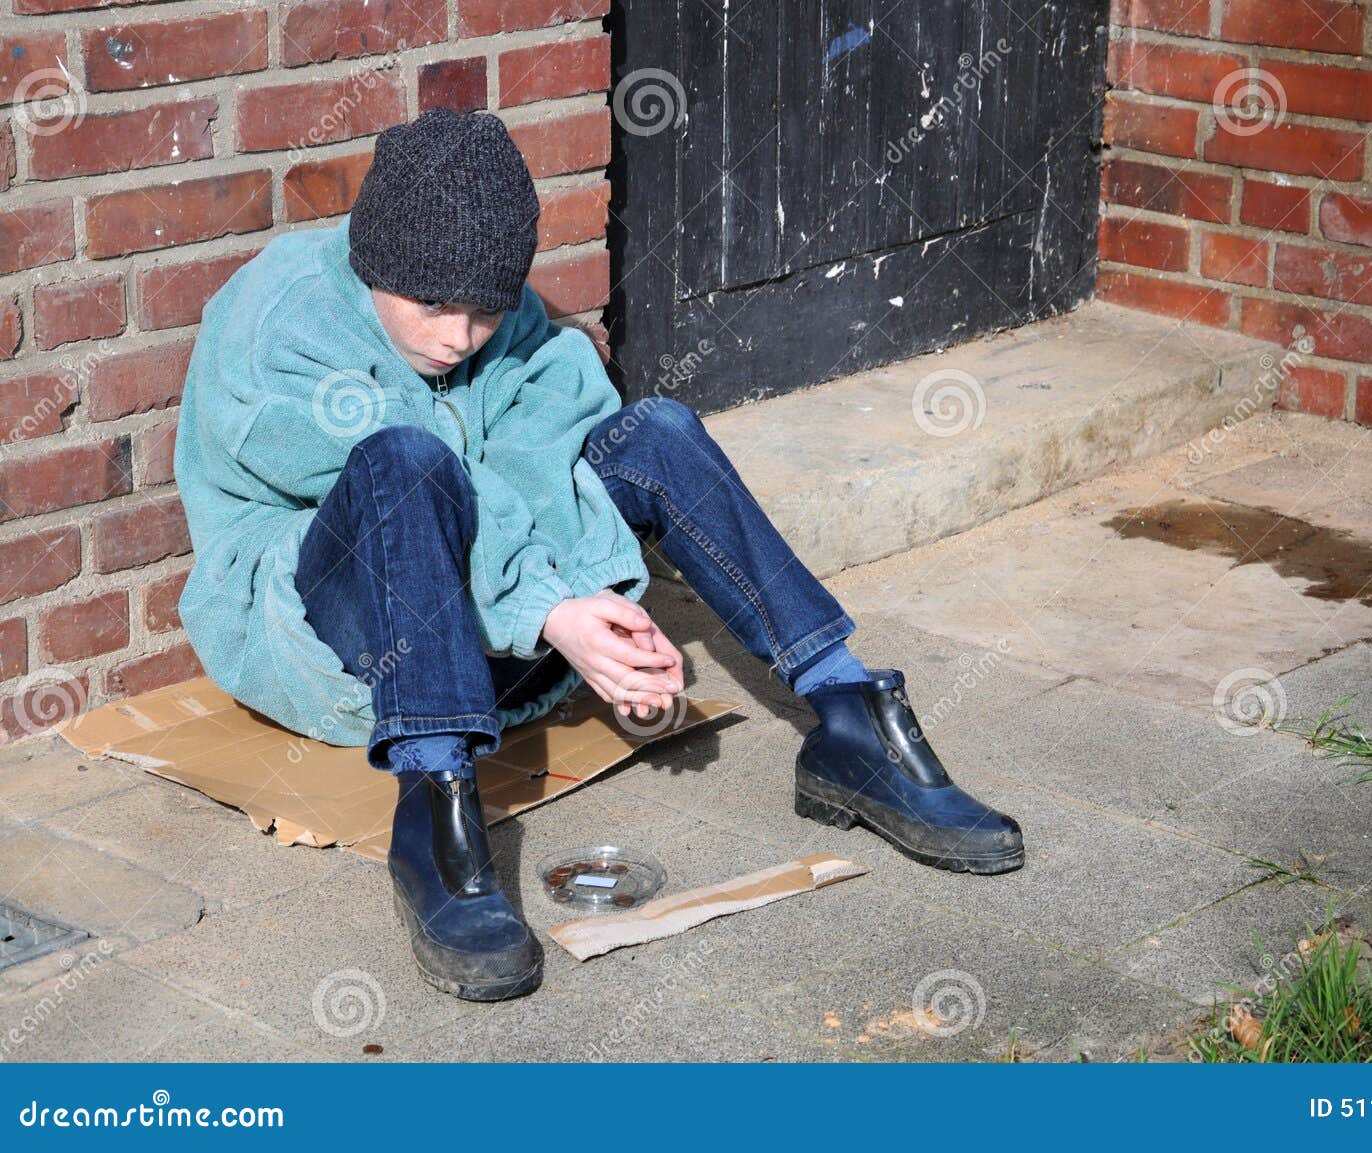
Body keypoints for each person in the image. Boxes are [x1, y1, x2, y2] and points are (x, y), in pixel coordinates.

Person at [173, 107, 1023, 1002]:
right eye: (432, 305)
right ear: (372, 261)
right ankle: (432, 818)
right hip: (339, 642)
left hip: (483, 622)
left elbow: (538, 464)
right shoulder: (280, 320)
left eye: (485, 310)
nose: (458, 337)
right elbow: (426, 475)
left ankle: (849, 715)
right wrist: (553, 611)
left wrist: (595, 608)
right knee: (405, 462)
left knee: (655, 432)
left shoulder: (507, 328)